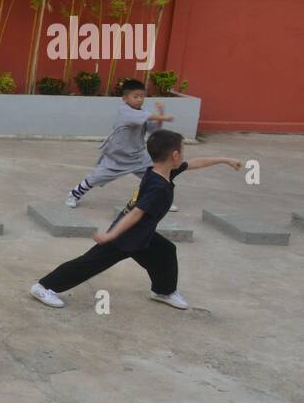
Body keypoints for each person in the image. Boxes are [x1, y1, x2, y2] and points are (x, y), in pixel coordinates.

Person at [31, 129, 243, 310]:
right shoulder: (158, 186)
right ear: (175, 155)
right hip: (126, 236)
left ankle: (163, 291)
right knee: (89, 264)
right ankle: (43, 287)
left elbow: (195, 163)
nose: (185, 157)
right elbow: (136, 213)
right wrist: (111, 235)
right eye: (183, 151)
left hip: (143, 235)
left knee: (166, 251)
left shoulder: (161, 171)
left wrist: (224, 160)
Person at [66, 78, 173, 208]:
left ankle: (162, 201)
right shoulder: (125, 111)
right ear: (125, 98)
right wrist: (163, 117)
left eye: (142, 96)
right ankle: (74, 194)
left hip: (138, 157)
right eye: (136, 96)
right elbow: (142, 117)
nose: (139, 99)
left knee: (155, 176)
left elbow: (155, 130)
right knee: (96, 177)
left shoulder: (143, 113)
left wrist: (161, 114)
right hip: (116, 157)